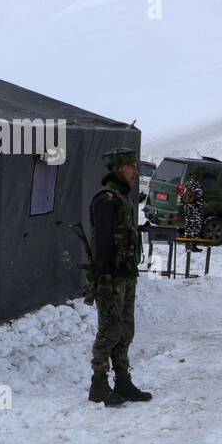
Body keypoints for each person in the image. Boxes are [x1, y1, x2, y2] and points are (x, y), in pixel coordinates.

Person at [89, 149, 152, 406]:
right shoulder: (107, 200)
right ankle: (99, 384)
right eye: (130, 167)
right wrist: (102, 278)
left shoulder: (122, 199)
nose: (135, 172)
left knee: (126, 330)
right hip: (110, 278)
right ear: (117, 169)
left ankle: (123, 380)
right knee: (110, 330)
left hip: (125, 275)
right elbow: (103, 243)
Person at [180, 169, 205, 251]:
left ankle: (187, 246)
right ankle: (193, 246)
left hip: (187, 208)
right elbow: (199, 198)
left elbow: (182, 196)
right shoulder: (196, 184)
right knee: (195, 228)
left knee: (188, 227)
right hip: (195, 210)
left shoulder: (187, 183)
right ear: (198, 176)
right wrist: (202, 204)